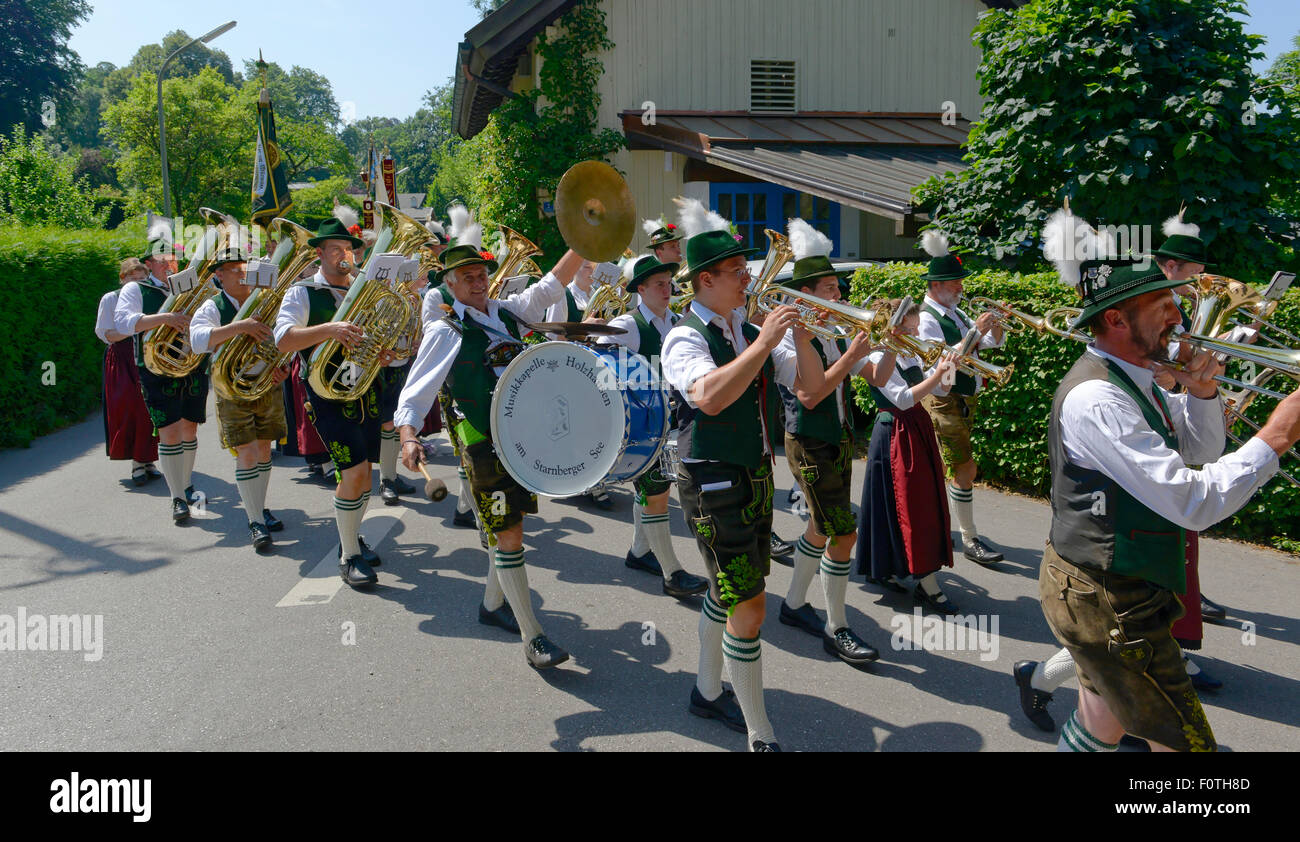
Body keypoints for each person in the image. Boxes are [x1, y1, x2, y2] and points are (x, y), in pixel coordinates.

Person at [1038, 256, 1300, 751]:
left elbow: (1201, 452)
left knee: (1104, 722)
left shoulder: (1136, 379)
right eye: (1163, 306)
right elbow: (1193, 502)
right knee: (1187, 745)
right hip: (1107, 596)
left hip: (1113, 583)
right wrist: (1280, 432)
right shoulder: (1098, 399)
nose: (1178, 317)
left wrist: (1203, 394)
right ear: (1116, 319)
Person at [662, 222, 827, 752]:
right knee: (750, 606)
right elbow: (708, 396)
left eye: (745, 269)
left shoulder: (743, 327)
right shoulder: (684, 335)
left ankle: (707, 692)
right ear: (706, 280)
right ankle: (761, 732)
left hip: (753, 473)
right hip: (710, 477)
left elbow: (810, 389)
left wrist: (801, 335)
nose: (749, 277)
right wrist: (766, 339)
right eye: (737, 271)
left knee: (729, 590)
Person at [396, 237, 583, 669]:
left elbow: (551, 287)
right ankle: (533, 638)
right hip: (480, 441)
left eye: (482, 275)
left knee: (508, 529)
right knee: (509, 533)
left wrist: (581, 244)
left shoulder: (507, 312)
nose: (479, 283)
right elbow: (417, 387)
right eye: (469, 278)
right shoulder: (445, 330)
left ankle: (491, 604)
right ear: (451, 284)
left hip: (520, 438)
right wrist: (408, 434)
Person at [772, 219, 880, 665]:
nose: (840, 297)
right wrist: (853, 353)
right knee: (843, 532)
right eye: (832, 289)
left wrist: (887, 344)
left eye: (838, 288)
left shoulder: (831, 335)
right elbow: (810, 392)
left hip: (836, 438)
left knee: (820, 526)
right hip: (808, 441)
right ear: (810, 294)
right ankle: (837, 627)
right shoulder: (787, 341)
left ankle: (794, 604)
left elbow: (877, 377)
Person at [273, 218, 387, 589]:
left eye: (348, 249)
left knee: (365, 473)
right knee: (352, 472)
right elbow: (284, 340)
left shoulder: (363, 288)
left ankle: (352, 535)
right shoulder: (303, 292)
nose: (344, 255)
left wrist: (381, 352)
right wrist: (330, 329)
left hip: (365, 387)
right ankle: (348, 555)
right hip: (326, 394)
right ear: (320, 253)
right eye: (335, 249)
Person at [597, 255, 709, 598]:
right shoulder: (627, 325)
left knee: (653, 492)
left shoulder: (677, 321)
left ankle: (639, 552)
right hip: (645, 426)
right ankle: (672, 573)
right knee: (657, 494)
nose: (667, 289)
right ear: (641, 289)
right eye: (659, 284)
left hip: (674, 423)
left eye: (668, 282)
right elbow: (602, 371)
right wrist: (640, 385)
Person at [855, 298, 963, 613]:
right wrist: (935, 375)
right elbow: (901, 399)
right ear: (893, 328)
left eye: (916, 328)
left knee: (912, 505)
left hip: (916, 428)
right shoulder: (878, 356)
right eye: (909, 328)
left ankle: (891, 568)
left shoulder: (907, 353)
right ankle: (927, 585)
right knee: (912, 509)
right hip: (895, 433)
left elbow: (940, 391)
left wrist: (951, 368)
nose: (915, 334)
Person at [189, 248, 289, 551]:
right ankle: (255, 520)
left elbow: (285, 336)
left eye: (244, 266)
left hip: (265, 383)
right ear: (219, 275)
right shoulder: (213, 305)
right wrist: (239, 326)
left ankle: (258, 507)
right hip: (231, 388)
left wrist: (283, 366)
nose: (242, 272)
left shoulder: (266, 301)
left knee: (263, 450)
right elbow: (197, 341)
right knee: (246, 451)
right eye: (234, 268)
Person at [916, 230, 1006, 564]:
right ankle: (969, 539)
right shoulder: (927, 318)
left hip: (962, 397)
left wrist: (996, 327)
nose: (961, 287)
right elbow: (941, 359)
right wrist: (976, 332)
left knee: (949, 468)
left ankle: (937, 526)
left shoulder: (955, 313)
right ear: (936, 285)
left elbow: (989, 346)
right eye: (955, 282)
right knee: (964, 469)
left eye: (960, 282)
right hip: (944, 398)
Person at [114, 221, 207, 523]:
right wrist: (165, 317)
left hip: (191, 364)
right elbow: (125, 323)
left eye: (173, 259)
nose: (169, 264)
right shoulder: (135, 288)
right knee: (168, 432)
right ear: (150, 263)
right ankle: (177, 497)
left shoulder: (189, 284)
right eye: (162, 260)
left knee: (190, 427)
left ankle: (188, 484)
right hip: (156, 368)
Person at [97, 258, 160, 486]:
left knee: (150, 409)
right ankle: (137, 462)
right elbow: (107, 334)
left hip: (147, 353)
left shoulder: (149, 295)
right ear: (122, 279)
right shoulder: (111, 298)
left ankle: (148, 460)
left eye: (142, 278)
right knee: (130, 409)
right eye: (133, 279)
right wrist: (134, 327)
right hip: (123, 358)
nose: (138, 283)